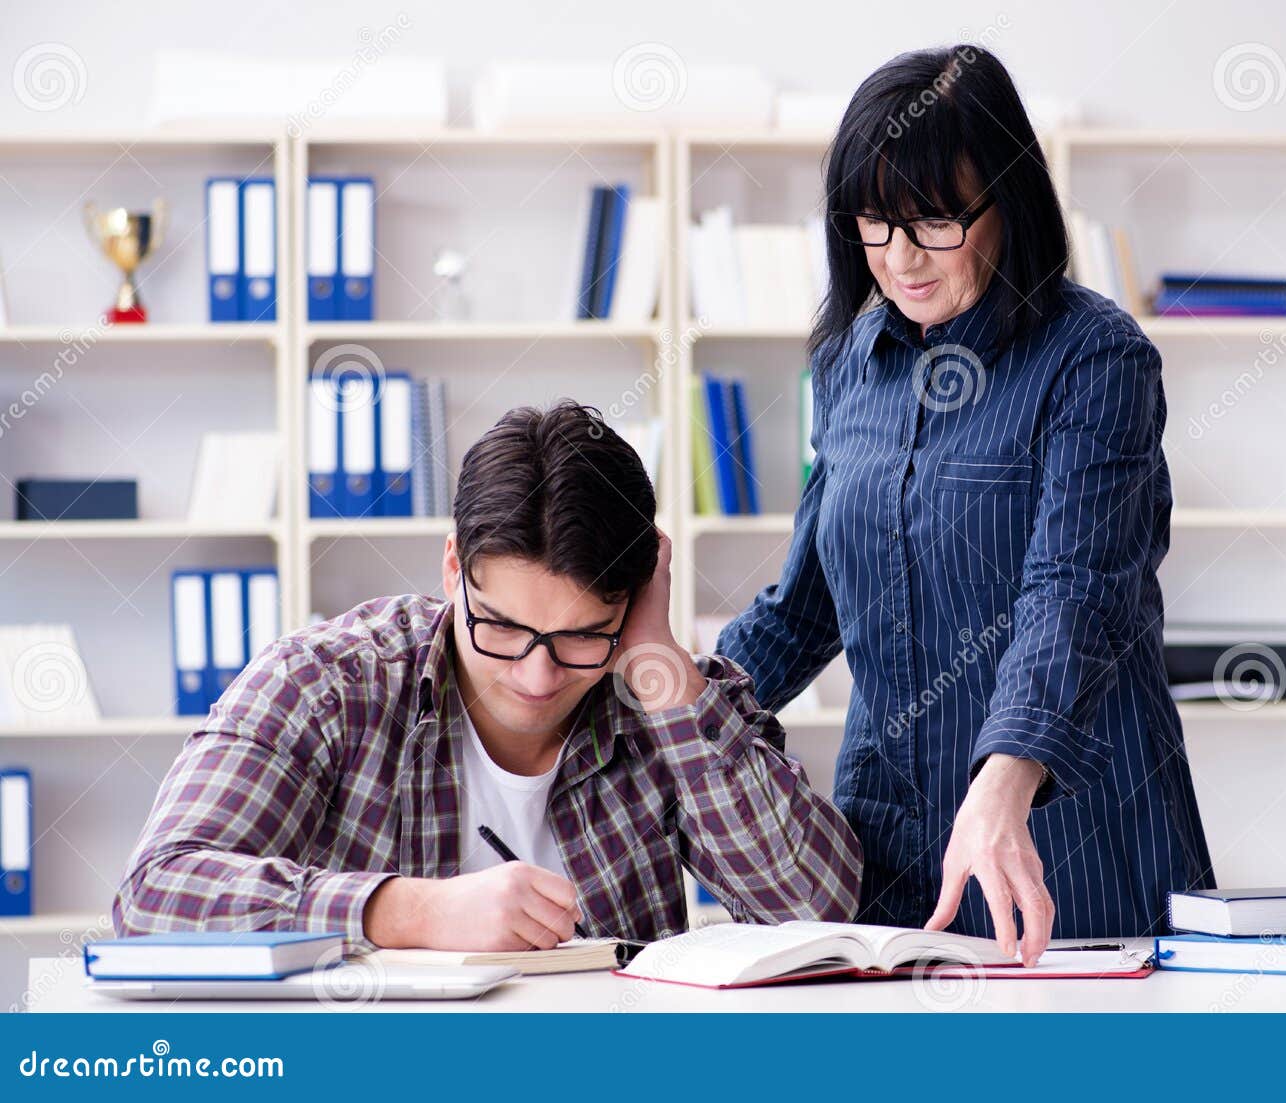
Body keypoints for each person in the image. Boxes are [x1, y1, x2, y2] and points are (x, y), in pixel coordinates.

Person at [717, 45, 1215, 966]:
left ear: (1009, 199)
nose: (900, 258)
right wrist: (657, 706)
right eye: (873, 222)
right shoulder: (847, 363)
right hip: (891, 853)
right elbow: (805, 608)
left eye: (935, 221)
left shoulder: (1094, 359)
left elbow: (1076, 592)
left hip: (1069, 852)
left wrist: (1003, 784)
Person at [114, 401, 862, 950]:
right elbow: (156, 894)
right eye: (501, 627)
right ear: (452, 568)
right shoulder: (328, 683)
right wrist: (411, 912)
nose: (537, 675)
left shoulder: (664, 698)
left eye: (580, 636)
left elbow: (819, 913)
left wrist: (657, 661)